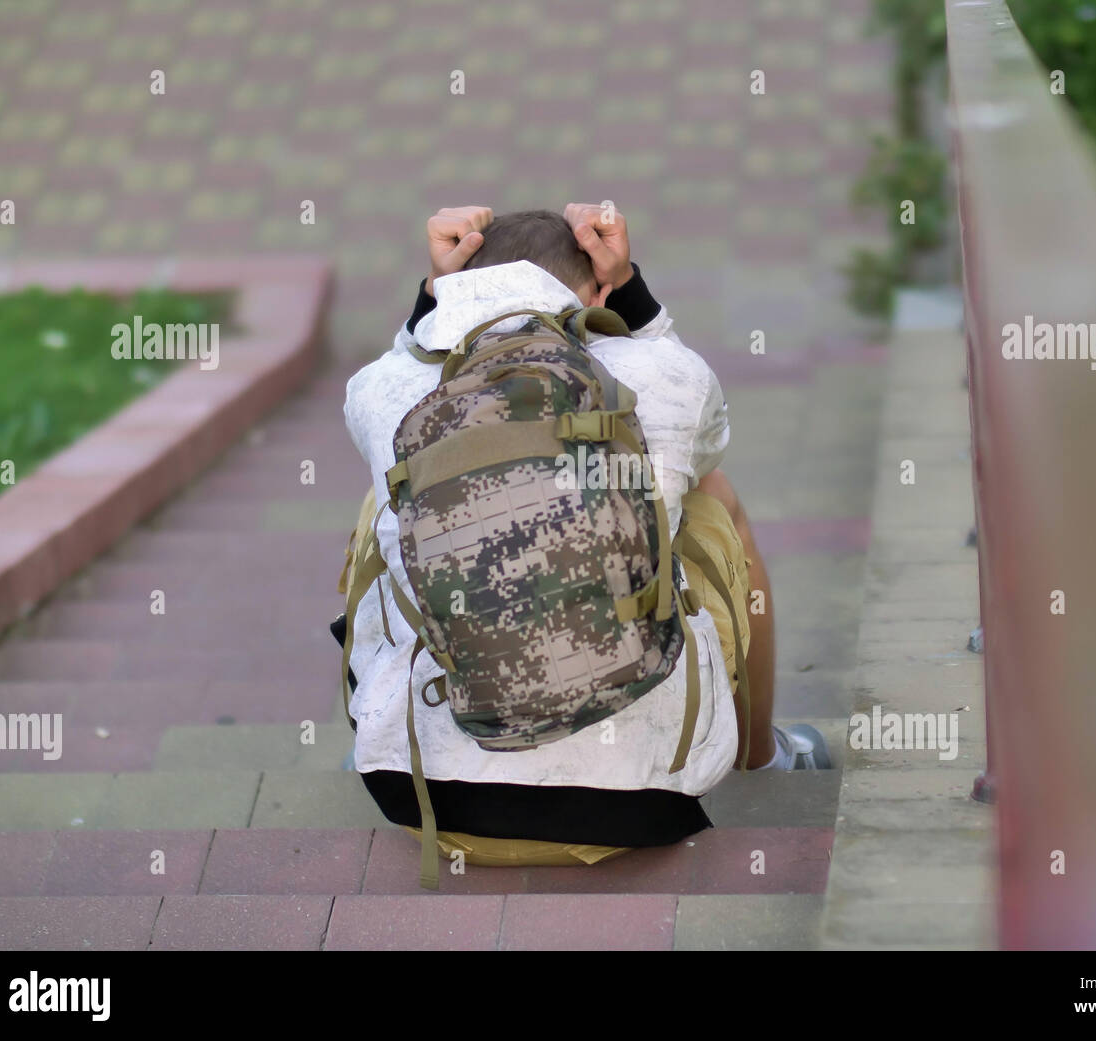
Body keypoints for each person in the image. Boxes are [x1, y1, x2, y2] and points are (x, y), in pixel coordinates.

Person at [340, 204, 828, 867]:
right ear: (596, 292)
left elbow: (403, 362)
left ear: (456, 288)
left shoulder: (381, 388)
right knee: (712, 498)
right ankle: (760, 755)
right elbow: (710, 440)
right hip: (646, 799)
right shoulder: (663, 373)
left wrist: (432, 298)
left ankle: (386, 715)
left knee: (383, 506)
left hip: (422, 796)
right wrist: (634, 296)